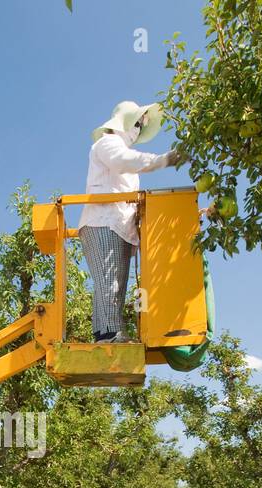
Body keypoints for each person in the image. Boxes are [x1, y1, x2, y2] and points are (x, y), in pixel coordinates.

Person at [78, 101, 185, 343]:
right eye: (137, 123)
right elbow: (124, 160)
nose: (138, 130)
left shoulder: (122, 154)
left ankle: (108, 332)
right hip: (103, 222)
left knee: (115, 282)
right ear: (124, 120)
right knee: (110, 280)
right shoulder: (107, 143)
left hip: (119, 226)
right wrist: (163, 160)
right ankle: (108, 333)